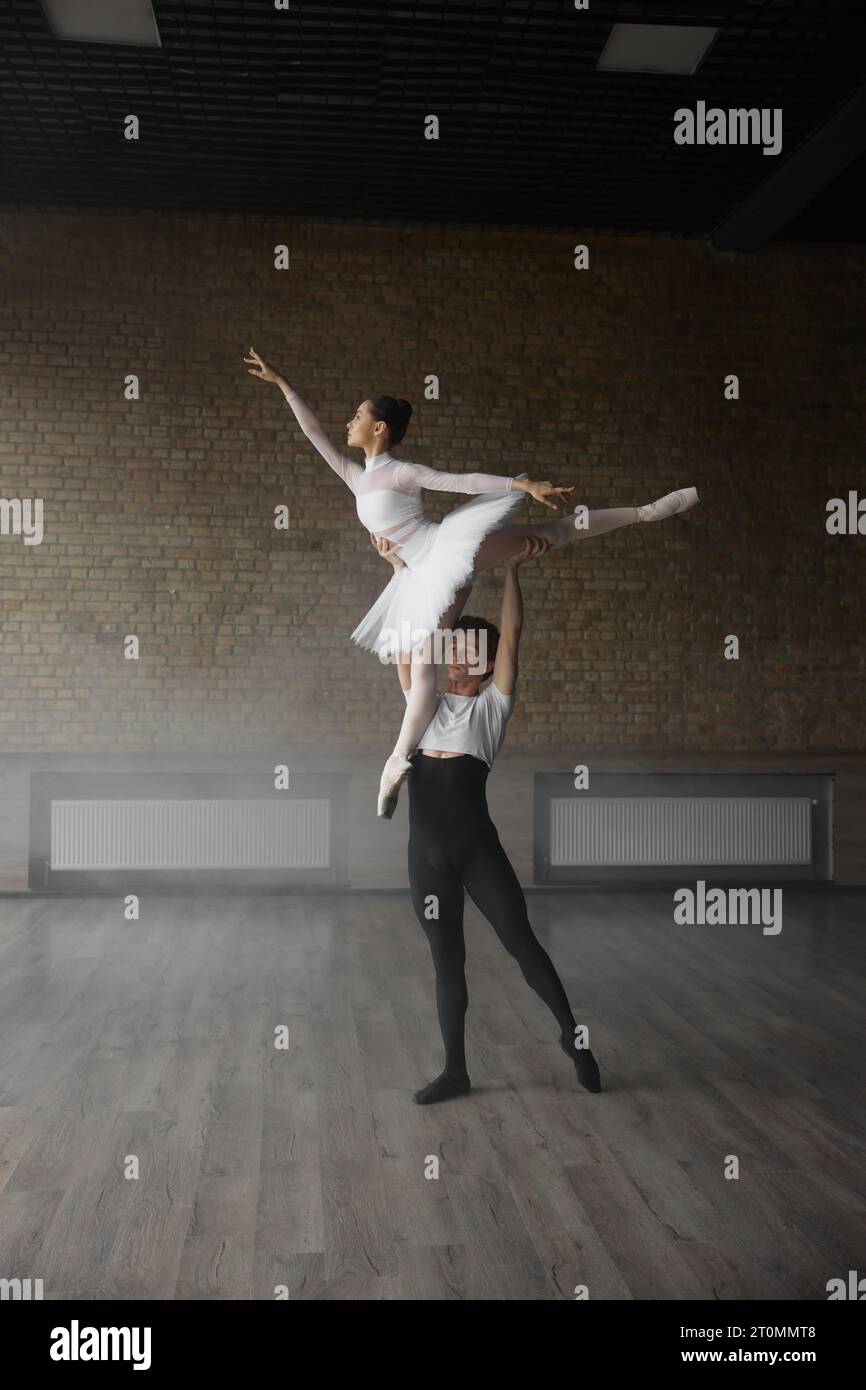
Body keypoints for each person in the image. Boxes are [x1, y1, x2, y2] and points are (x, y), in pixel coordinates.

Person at [244, 349, 698, 816]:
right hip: (418, 577)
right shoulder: (357, 478)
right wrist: (282, 383)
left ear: (379, 428)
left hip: (443, 553)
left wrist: (521, 486)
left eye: (357, 415)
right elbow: (313, 432)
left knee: (550, 534)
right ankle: (398, 761)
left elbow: (461, 482)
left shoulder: (400, 472)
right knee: (421, 666)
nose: (348, 422)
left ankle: (645, 513)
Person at [376, 531, 603, 1104]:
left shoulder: (491, 708)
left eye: (465, 649)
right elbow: (410, 638)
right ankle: (456, 1070)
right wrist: (401, 568)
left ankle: (574, 1042)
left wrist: (512, 571)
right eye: (451, 648)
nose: (454, 656)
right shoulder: (422, 705)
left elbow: (515, 637)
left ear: (480, 657)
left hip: (477, 853)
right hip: (426, 861)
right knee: (446, 961)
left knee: (521, 942)